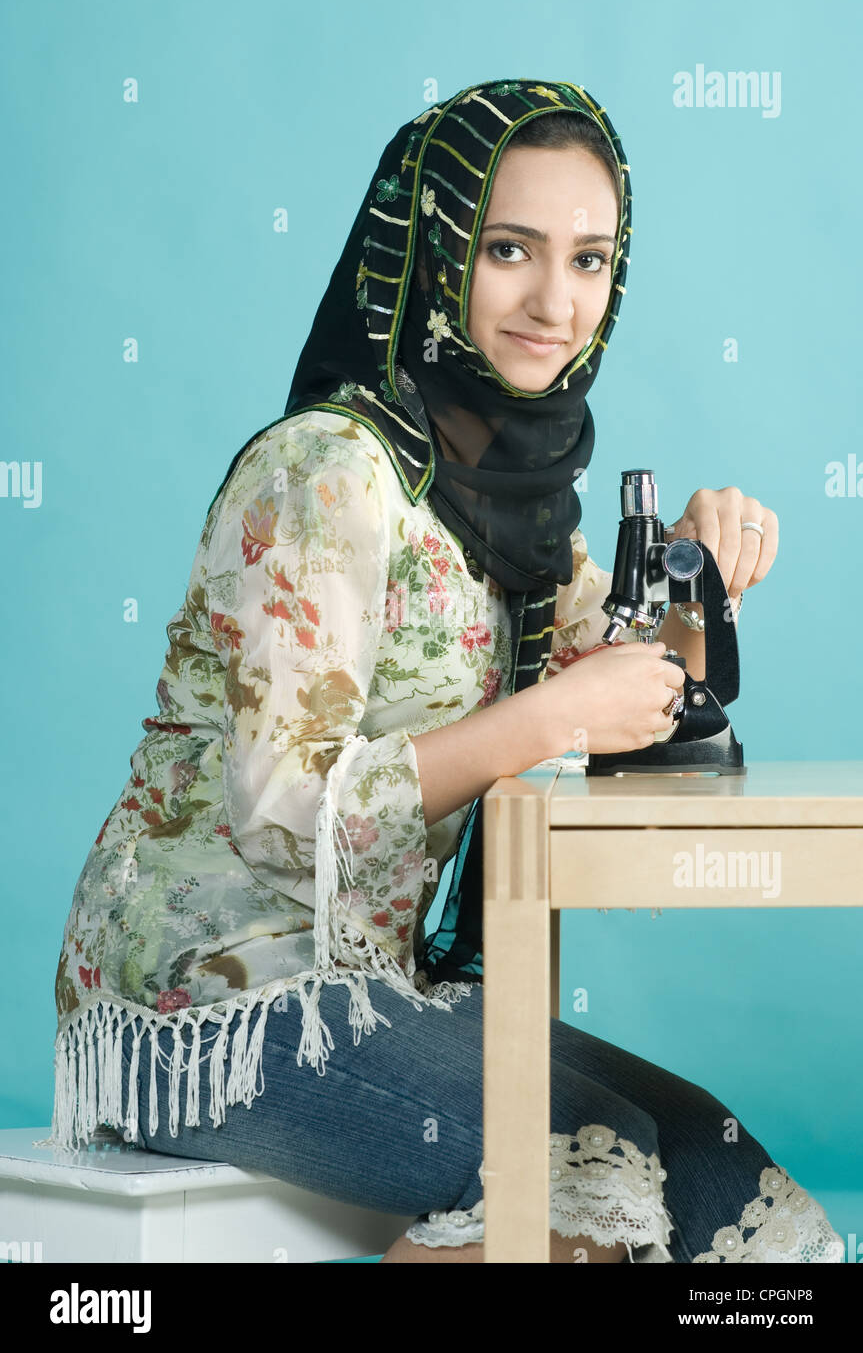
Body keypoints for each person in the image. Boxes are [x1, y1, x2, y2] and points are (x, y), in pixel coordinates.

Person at [45, 78, 842, 1264]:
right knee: (580, 1169)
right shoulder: (329, 472)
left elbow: (625, 702)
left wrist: (698, 584)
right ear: (431, 246)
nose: (552, 301)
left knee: (733, 1187)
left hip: (376, 983)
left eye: (587, 260)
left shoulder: (518, 502)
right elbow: (279, 808)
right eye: (508, 249)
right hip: (202, 1002)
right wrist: (549, 712)